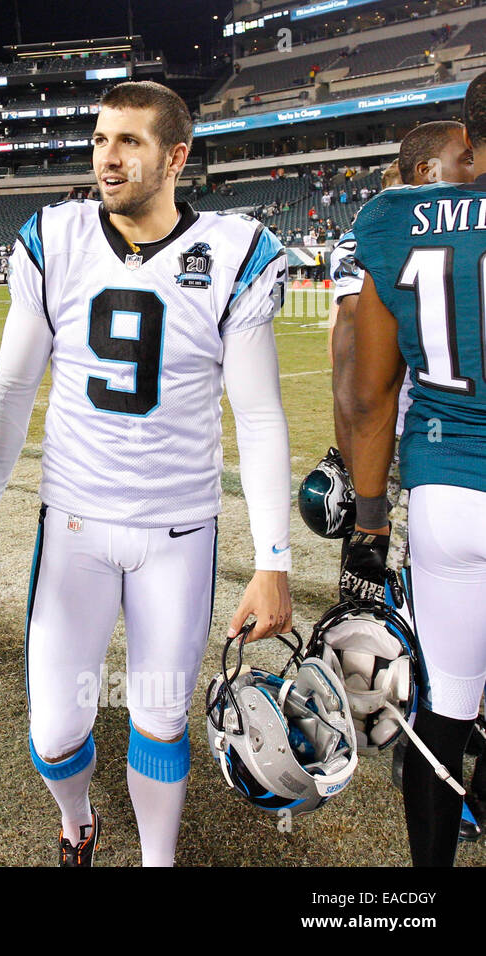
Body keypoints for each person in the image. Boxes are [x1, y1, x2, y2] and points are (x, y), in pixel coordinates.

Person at [0, 80, 291, 868]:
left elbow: (262, 415)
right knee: (55, 731)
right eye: (102, 138)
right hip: (73, 524)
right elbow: (10, 388)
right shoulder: (57, 238)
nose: (108, 156)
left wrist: (275, 560)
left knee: (159, 720)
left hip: (179, 531)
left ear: (176, 157)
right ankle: (76, 821)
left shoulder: (232, 252)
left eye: (130, 141)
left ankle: (157, 860)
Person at [346, 74, 486, 867]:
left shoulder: (400, 220)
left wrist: (370, 520)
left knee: (443, 716)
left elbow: (369, 395)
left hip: (448, 493)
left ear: (466, 142)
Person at [329, 121, 474, 566]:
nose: (475, 168)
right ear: (428, 172)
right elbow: (351, 367)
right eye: (465, 159)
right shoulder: (370, 241)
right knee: (384, 577)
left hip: (429, 437)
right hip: (401, 435)